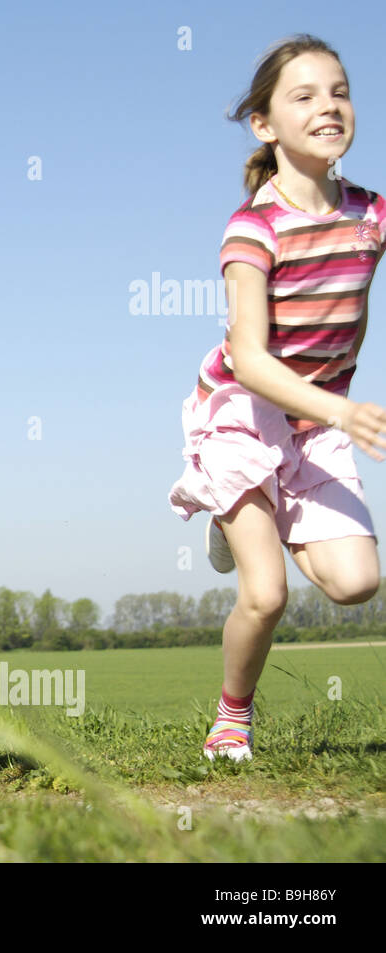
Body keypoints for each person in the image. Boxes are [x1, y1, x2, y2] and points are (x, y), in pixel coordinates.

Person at [168, 36, 386, 763]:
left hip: (318, 422)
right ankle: (233, 715)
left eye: (340, 90)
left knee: (357, 582)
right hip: (243, 411)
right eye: (305, 95)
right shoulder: (253, 227)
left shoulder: (371, 215)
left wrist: (330, 415)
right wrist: (344, 414)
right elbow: (252, 360)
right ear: (265, 124)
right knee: (266, 595)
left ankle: (257, 513)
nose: (329, 104)